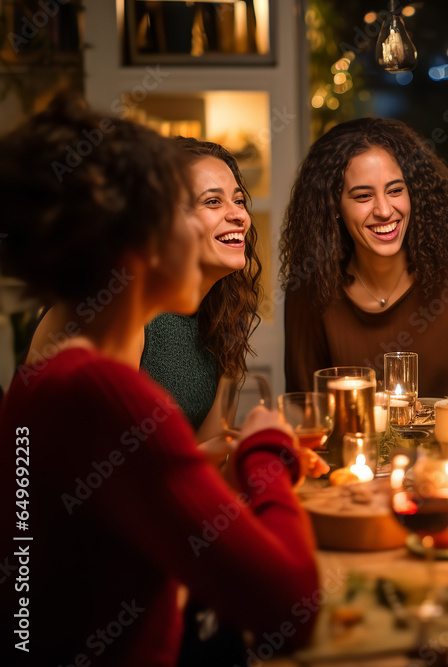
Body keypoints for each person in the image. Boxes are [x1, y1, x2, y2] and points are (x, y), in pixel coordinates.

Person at [0, 97, 318, 665]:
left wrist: (232, 453)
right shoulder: (104, 395)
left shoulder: (58, 382)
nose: (227, 219)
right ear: (138, 242)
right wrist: (269, 451)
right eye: (185, 210)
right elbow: (290, 606)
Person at [280, 117, 448, 412]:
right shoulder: (311, 285)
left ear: (415, 194)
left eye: (396, 190)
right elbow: (302, 407)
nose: (385, 210)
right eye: (363, 196)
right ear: (332, 206)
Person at [140, 138, 262, 452]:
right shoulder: (130, 310)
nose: (239, 216)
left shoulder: (226, 314)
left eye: (238, 200)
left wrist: (251, 447)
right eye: (212, 202)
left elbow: (209, 454)